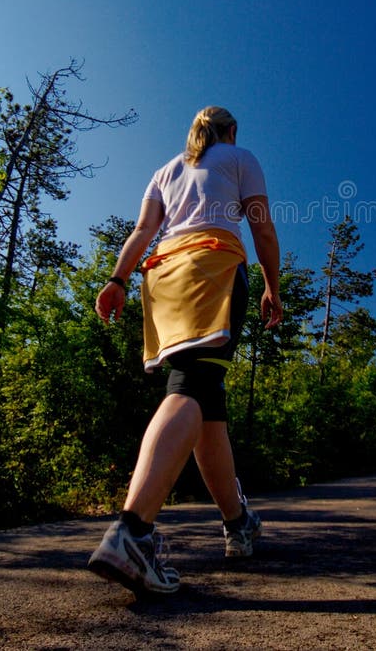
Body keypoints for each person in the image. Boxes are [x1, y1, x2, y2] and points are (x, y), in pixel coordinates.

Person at [88, 106, 282, 595]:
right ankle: (132, 534)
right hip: (212, 268)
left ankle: (239, 524)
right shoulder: (240, 157)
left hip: (163, 278)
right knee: (192, 386)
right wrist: (272, 288)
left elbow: (141, 232)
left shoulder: (165, 171)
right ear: (231, 131)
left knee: (206, 404)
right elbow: (261, 228)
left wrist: (117, 280)